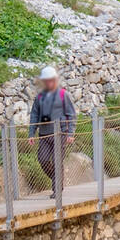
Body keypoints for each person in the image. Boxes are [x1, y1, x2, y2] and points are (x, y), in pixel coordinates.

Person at [27, 67, 75, 198]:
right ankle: (57, 180)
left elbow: (71, 114)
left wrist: (70, 133)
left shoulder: (63, 95)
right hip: (44, 135)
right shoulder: (40, 97)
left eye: (51, 81)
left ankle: (57, 189)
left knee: (56, 160)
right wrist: (31, 133)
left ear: (55, 80)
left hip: (60, 134)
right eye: (46, 81)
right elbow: (34, 115)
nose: (49, 83)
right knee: (42, 160)